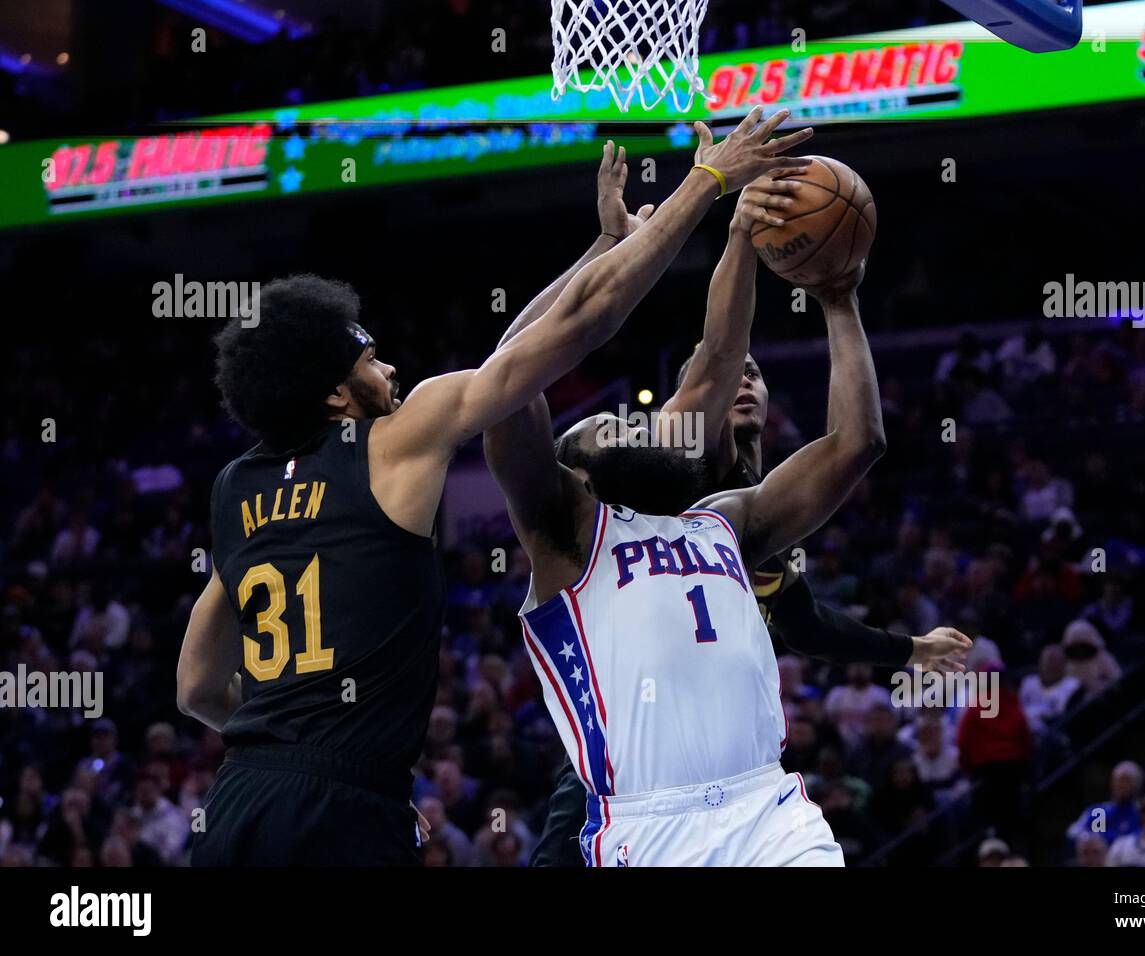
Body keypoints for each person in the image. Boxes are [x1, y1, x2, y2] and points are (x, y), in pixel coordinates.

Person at [177, 112, 812, 865]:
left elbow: (195, 686)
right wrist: (705, 184)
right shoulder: (395, 439)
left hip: (239, 797)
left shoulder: (234, 488)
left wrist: (605, 244)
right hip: (345, 805)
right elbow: (578, 328)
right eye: (373, 361)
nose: (391, 374)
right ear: (334, 395)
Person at [522, 145, 968, 866]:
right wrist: (608, 248)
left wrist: (806, 276)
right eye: (610, 428)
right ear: (577, 479)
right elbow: (516, 376)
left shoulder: (724, 519)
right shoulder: (570, 540)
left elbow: (847, 437)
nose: (635, 423)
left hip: (767, 808)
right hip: (632, 808)